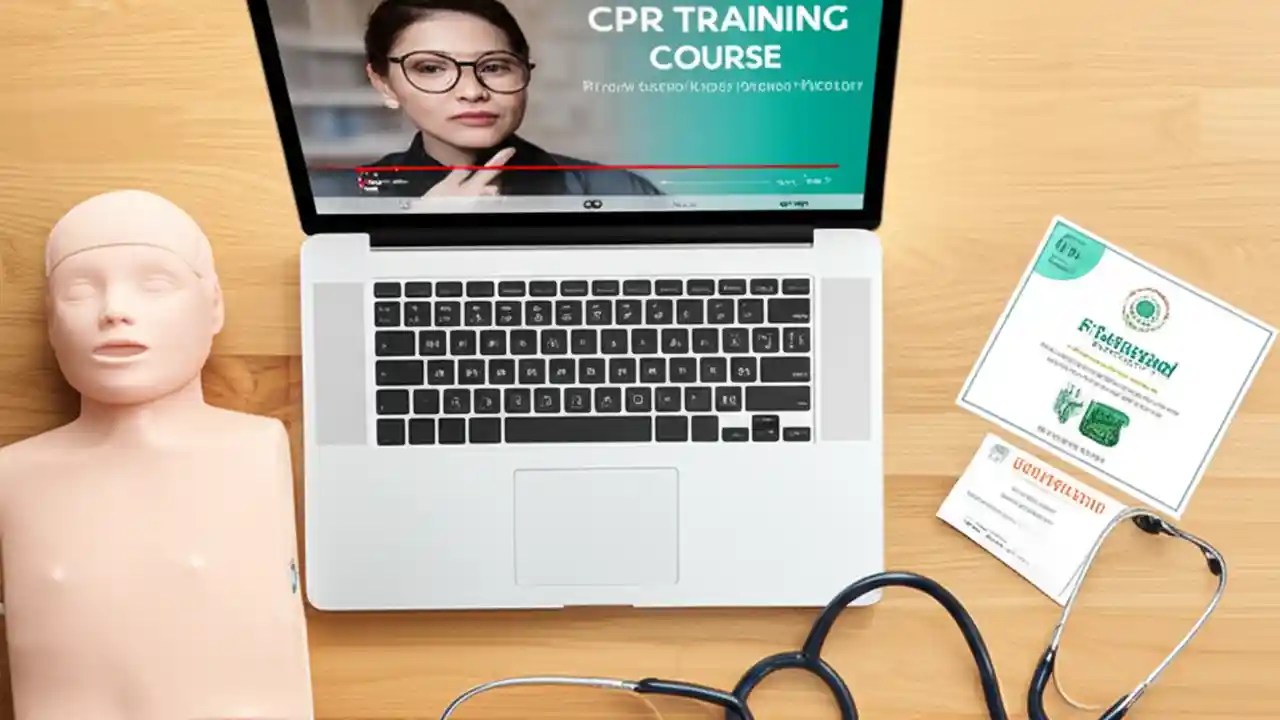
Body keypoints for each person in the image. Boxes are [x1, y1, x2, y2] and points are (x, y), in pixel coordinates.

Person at [0, 190, 314, 720]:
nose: (115, 311)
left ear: (213, 304)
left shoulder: (255, 452)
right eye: (79, 290)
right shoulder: (17, 475)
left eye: (154, 284)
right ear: (50, 320)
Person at [360, 0, 662, 198]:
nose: (472, 91)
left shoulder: (620, 192)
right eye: (431, 68)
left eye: (494, 67)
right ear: (383, 84)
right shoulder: (343, 197)